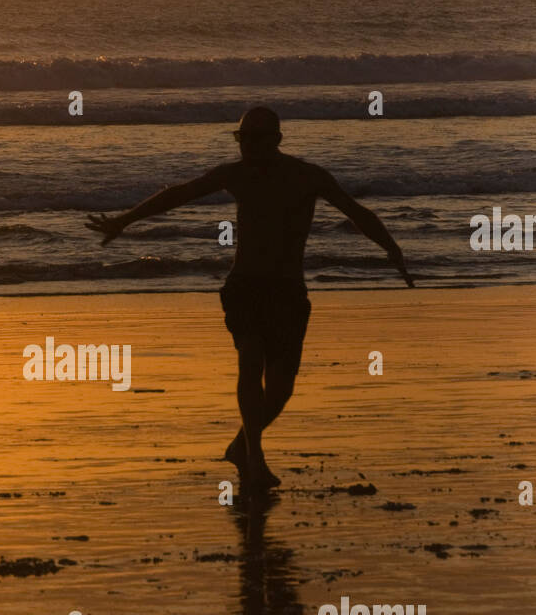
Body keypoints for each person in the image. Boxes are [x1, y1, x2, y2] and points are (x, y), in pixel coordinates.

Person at [86, 106, 414, 492]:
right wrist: (125, 220)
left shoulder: (307, 176)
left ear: (277, 139)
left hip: (289, 291)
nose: (249, 147)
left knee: (281, 387)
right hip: (245, 286)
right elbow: (180, 193)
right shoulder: (235, 175)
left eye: (258, 138)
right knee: (250, 360)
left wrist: (392, 248)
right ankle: (255, 461)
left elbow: (357, 212)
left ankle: (242, 447)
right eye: (243, 139)